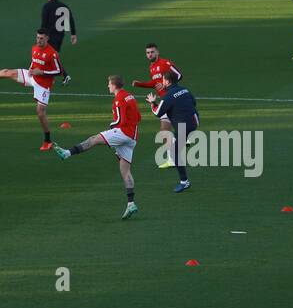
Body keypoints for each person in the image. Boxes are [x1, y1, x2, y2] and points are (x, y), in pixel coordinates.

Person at [53, 75, 141, 219]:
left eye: (109, 84)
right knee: (125, 171)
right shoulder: (130, 96)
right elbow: (138, 117)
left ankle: (67, 153)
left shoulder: (118, 99)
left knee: (94, 139)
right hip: (132, 137)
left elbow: (120, 120)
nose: (108, 86)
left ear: (114, 85)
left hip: (124, 132)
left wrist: (111, 127)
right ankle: (131, 203)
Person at [0, 29, 63, 151]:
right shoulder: (34, 48)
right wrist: (32, 71)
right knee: (6, 72)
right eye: (37, 38)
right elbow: (34, 63)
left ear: (47, 38)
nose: (38, 40)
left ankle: (47, 141)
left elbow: (59, 71)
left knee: (40, 112)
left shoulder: (52, 53)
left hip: (43, 85)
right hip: (32, 76)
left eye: (41, 38)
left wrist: (42, 72)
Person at [129, 43, 183, 170]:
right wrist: (140, 84)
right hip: (165, 100)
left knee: (169, 130)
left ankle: (181, 142)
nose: (150, 54)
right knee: (165, 131)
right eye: (147, 53)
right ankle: (172, 158)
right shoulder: (152, 67)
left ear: (157, 52)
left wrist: (166, 85)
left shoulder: (165, 63)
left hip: (172, 98)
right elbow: (154, 83)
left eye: (152, 52)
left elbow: (179, 75)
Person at [147, 81, 199, 194]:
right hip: (194, 122)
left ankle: (184, 182)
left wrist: (152, 103)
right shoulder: (185, 89)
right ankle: (183, 140)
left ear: (167, 82)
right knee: (178, 141)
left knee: (174, 153)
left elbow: (158, 113)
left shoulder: (168, 96)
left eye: (163, 80)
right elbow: (194, 102)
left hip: (183, 127)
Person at [39, 0, 77, 84]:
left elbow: (44, 23)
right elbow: (69, 21)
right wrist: (73, 34)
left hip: (49, 36)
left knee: (49, 56)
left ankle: (61, 76)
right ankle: (61, 76)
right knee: (52, 56)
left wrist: (41, 36)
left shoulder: (46, 6)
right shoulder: (64, 6)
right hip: (60, 35)